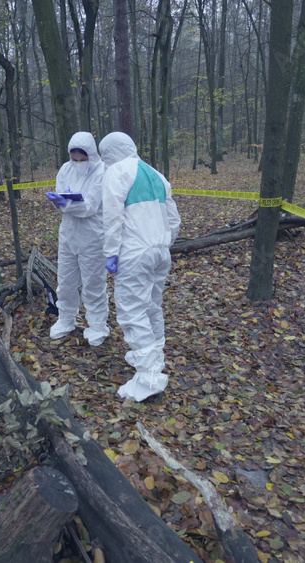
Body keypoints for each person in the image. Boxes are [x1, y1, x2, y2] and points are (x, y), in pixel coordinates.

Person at [98, 131, 180, 402]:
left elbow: (112, 215)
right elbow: (173, 217)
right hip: (159, 251)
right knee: (151, 306)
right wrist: (164, 242)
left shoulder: (117, 171)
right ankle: (154, 358)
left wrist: (111, 252)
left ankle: (149, 377)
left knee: (132, 311)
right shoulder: (155, 173)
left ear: (108, 153)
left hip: (134, 252)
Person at [44, 132, 111, 346]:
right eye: (75, 158)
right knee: (65, 280)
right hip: (68, 235)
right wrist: (62, 202)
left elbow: (90, 207)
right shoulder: (66, 169)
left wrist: (67, 204)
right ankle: (66, 319)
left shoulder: (102, 171)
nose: (78, 162)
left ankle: (98, 325)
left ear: (91, 154)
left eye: (82, 158)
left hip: (92, 236)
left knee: (93, 282)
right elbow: (60, 196)